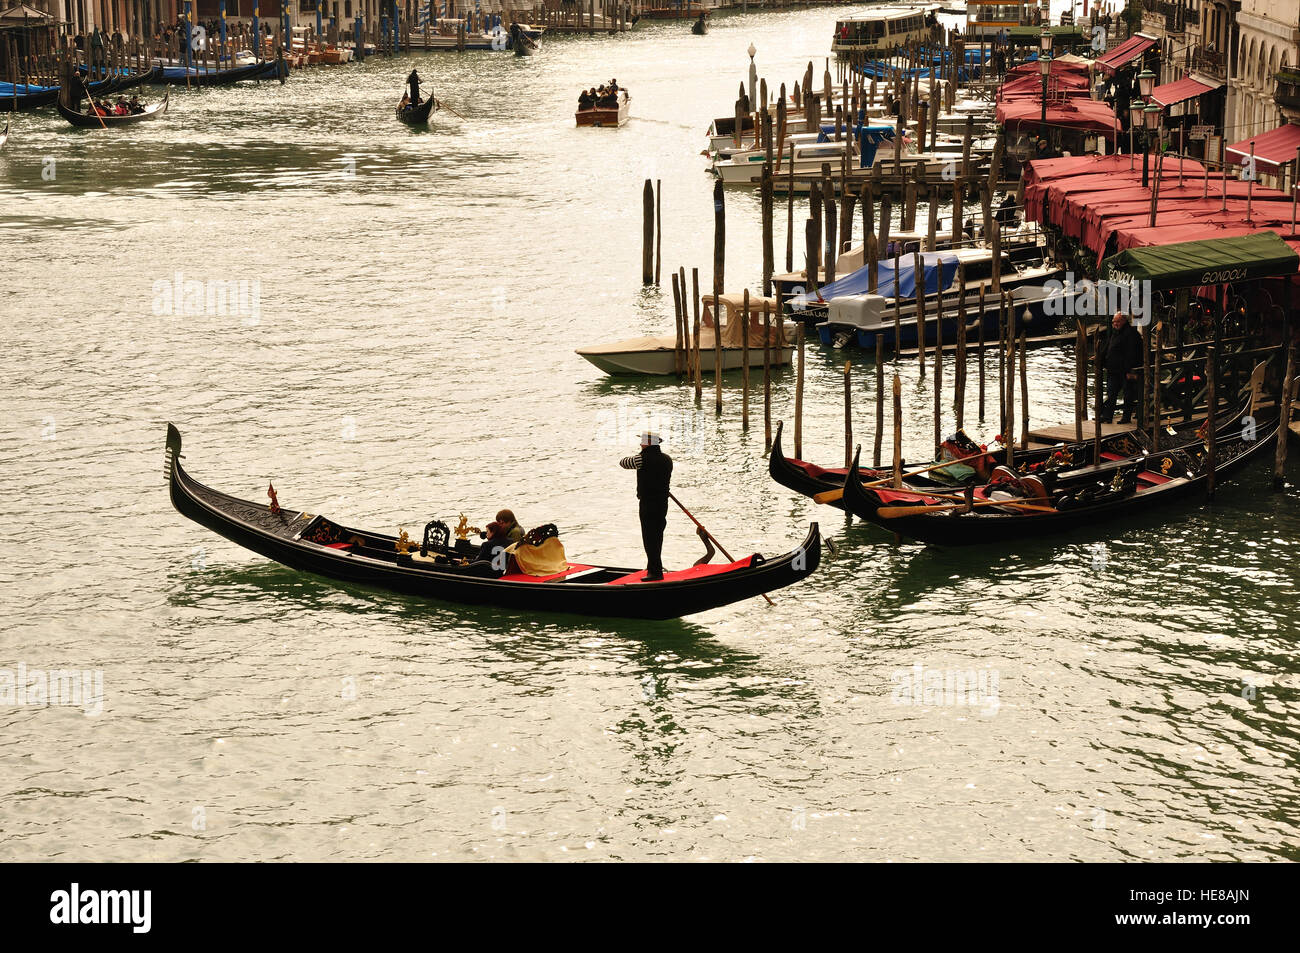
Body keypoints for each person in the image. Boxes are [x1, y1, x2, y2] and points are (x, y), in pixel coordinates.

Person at [619, 432, 673, 581]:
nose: (640, 444)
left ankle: (655, 572)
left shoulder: (641, 459)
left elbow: (623, 462)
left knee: (649, 537)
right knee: (657, 535)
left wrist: (641, 454)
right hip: (662, 503)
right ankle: (654, 566)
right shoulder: (667, 459)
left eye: (642, 442)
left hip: (648, 503)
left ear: (647, 444)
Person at [1100, 311, 1143, 424]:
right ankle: (1107, 416)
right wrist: (1100, 357)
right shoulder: (1115, 333)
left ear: (1124, 321)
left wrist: (1131, 370)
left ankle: (1126, 417)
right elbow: (1108, 347)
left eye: (1117, 321)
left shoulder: (1132, 334)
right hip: (1113, 370)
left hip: (1125, 370)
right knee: (1111, 393)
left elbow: (1133, 354)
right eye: (1114, 322)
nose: (1115, 324)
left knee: (1128, 394)